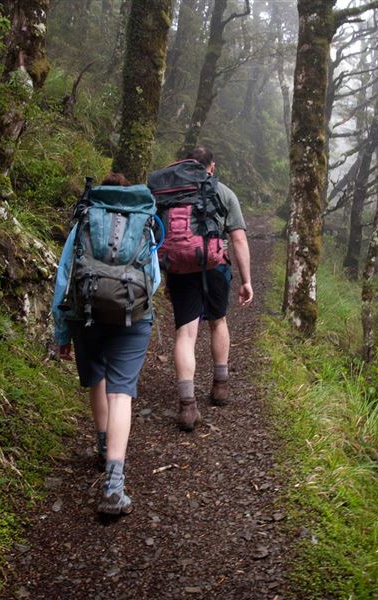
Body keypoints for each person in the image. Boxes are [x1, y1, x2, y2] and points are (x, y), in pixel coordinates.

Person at [51, 171, 161, 515]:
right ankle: (114, 485)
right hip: (133, 317)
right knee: (121, 391)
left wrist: (61, 334)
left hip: (87, 315)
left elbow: (64, 279)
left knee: (96, 378)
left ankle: (103, 446)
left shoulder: (85, 220)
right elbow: (154, 278)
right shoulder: (142, 222)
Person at [162, 147, 253, 431]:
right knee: (218, 321)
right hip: (215, 266)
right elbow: (237, 239)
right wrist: (246, 280)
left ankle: (187, 406)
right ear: (210, 167)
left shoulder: (169, 193)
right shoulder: (223, 192)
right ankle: (220, 386)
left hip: (180, 268)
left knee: (186, 333)